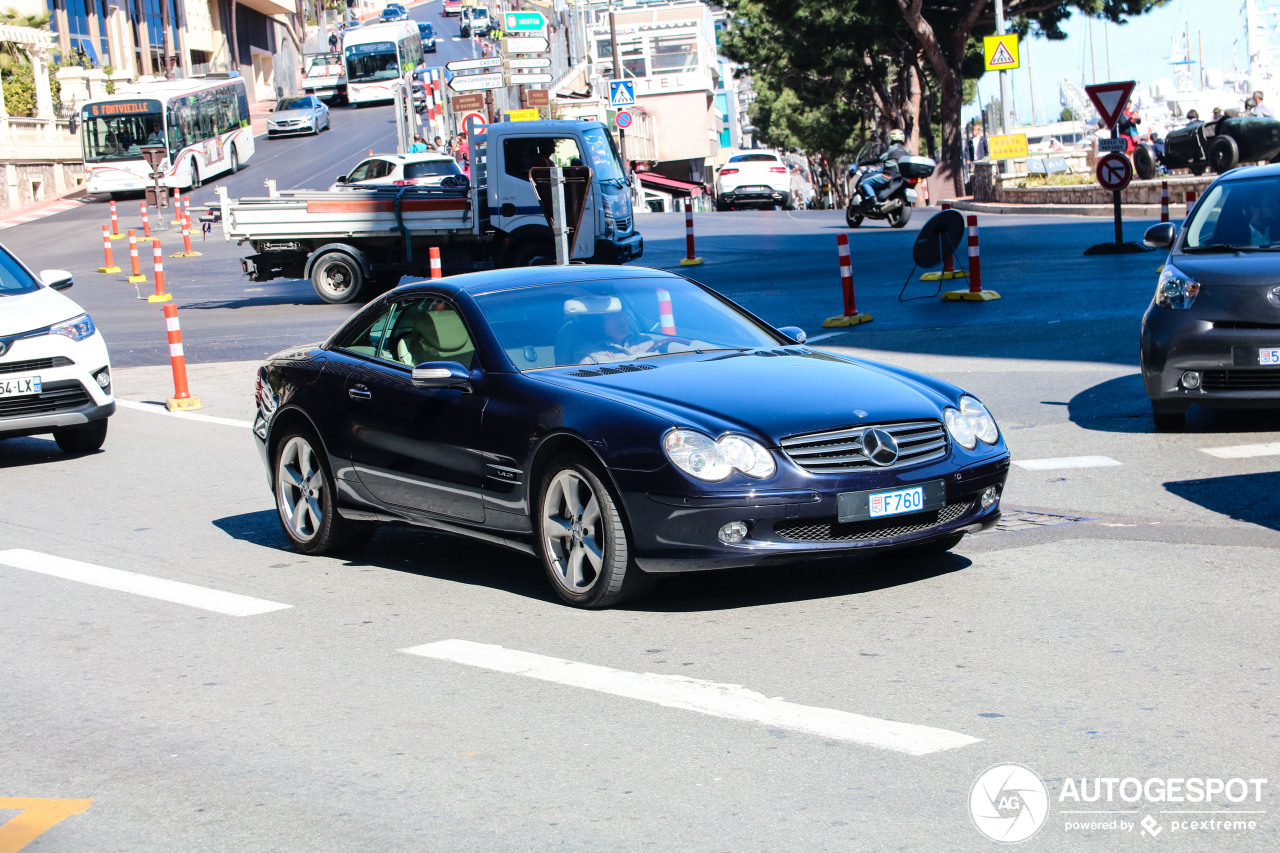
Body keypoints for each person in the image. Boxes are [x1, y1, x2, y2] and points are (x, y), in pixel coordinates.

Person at [857, 129, 910, 203]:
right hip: (902, 177)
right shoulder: (906, 151)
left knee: (865, 182)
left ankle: (872, 199)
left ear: (891, 138)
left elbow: (877, 159)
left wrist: (863, 162)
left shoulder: (890, 149)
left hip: (889, 176)